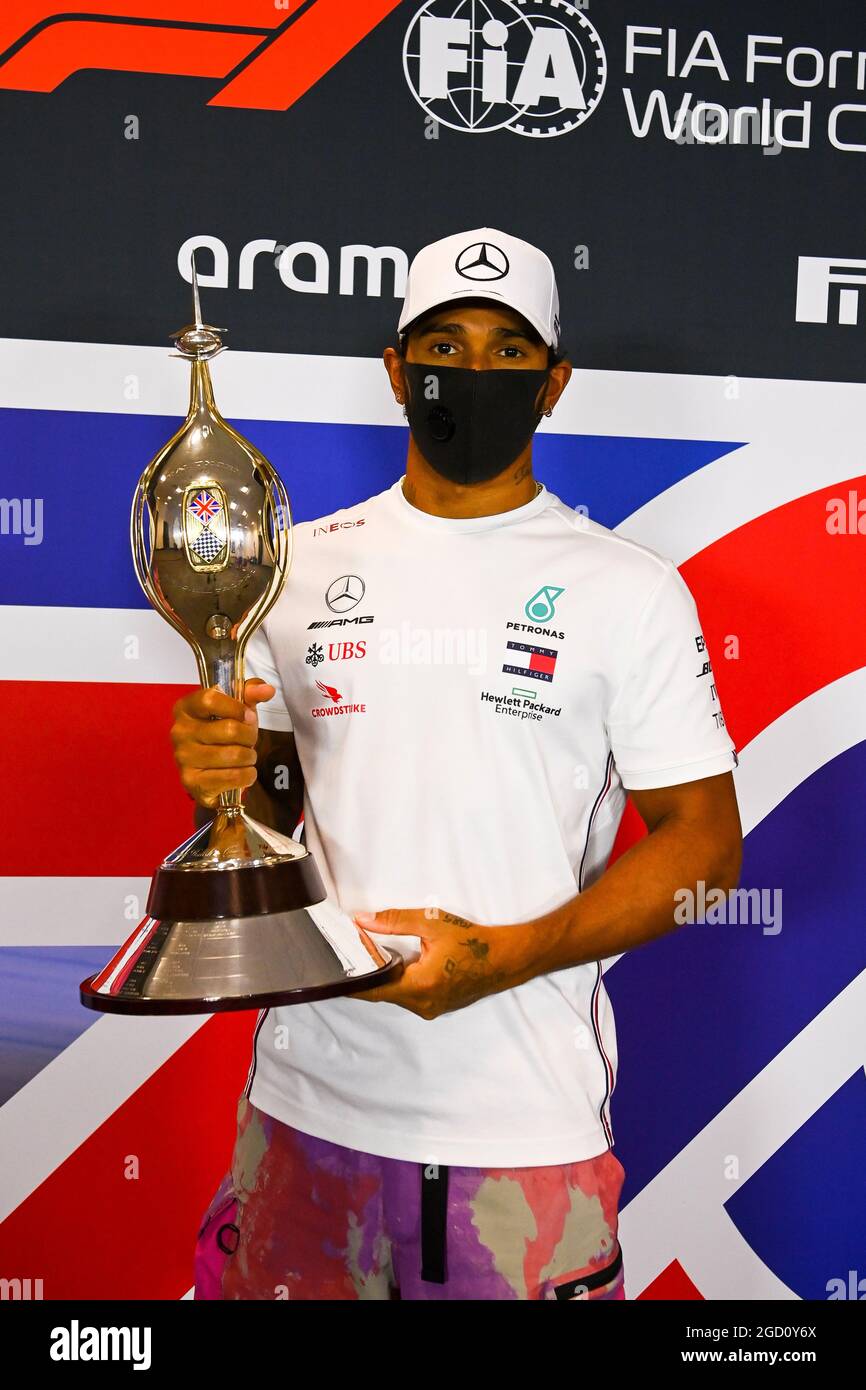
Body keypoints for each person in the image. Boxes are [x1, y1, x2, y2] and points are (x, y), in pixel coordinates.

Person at [175, 227, 743, 1301]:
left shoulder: (626, 591)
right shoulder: (294, 570)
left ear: (554, 383)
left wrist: (506, 954)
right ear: (396, 370)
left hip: (519, 1134)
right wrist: (220, 771)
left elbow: (706, 850)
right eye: (441, 344)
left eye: (506, 352)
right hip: (303, 1116)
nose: (470, 374)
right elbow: (271, 811)